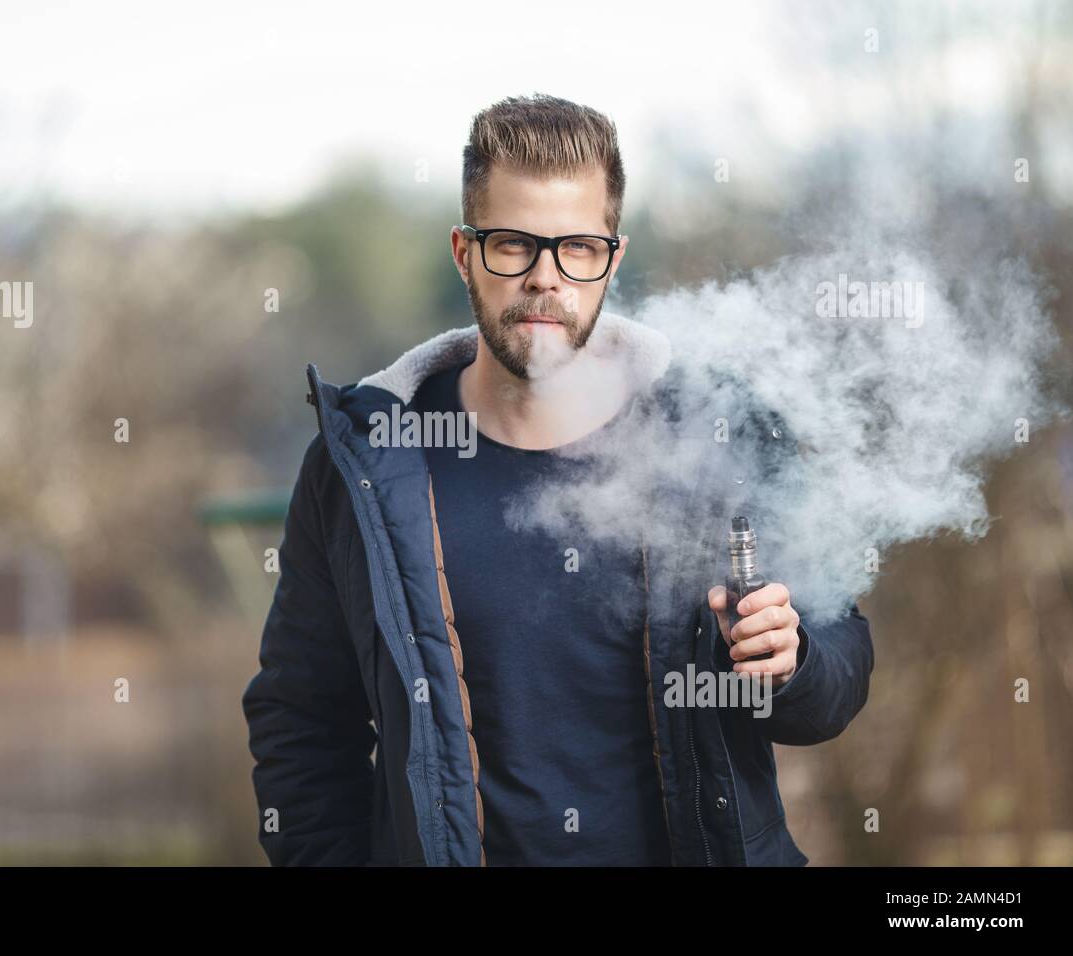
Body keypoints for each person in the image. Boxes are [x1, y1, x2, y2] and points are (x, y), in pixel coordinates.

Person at [241, 93, 874, 866]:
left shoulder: (719, 427)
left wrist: (793, 660)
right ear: (464, 251)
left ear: (613, 254)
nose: (546, 278)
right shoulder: (368, 462)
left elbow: (841, 668)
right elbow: (301, 721)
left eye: (577, 247)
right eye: (514, 244)